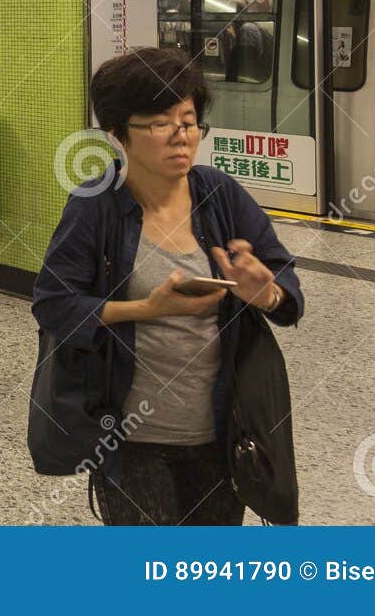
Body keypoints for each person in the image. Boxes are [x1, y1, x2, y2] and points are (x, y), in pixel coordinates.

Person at [32, 47, 305, 526]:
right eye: (161, 123)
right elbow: (54, 304)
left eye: (189, 120)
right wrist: (145, 309)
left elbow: (285, 285)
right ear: (119, 134)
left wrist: (267, 293)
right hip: (132, 438)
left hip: (222, 432)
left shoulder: (220, 194)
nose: (182, 136)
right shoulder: (96, 207)